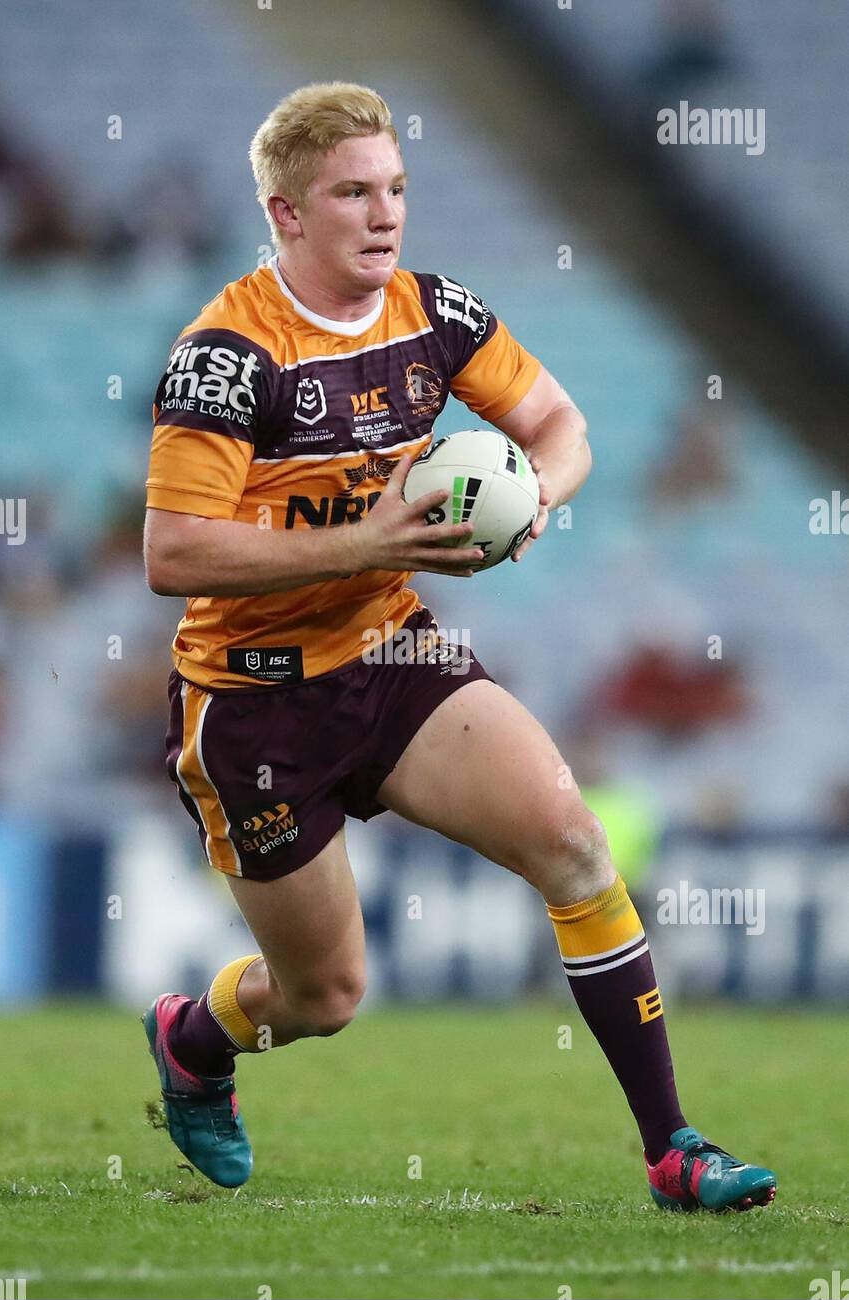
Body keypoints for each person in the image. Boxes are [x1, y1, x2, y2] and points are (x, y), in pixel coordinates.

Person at [141, 81, 776, 1214]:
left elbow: (560, 430)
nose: (383, 214)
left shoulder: (438, 315)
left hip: (394, 657)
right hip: (256, 702)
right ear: (287, 214)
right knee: (326, 993)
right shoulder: (226, 355)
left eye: (394, 188)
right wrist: (369, 538)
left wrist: (535, 501)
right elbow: (175, 551)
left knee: (575, 847)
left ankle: (672, 1150)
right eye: (351, 193)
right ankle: (196, 1038)